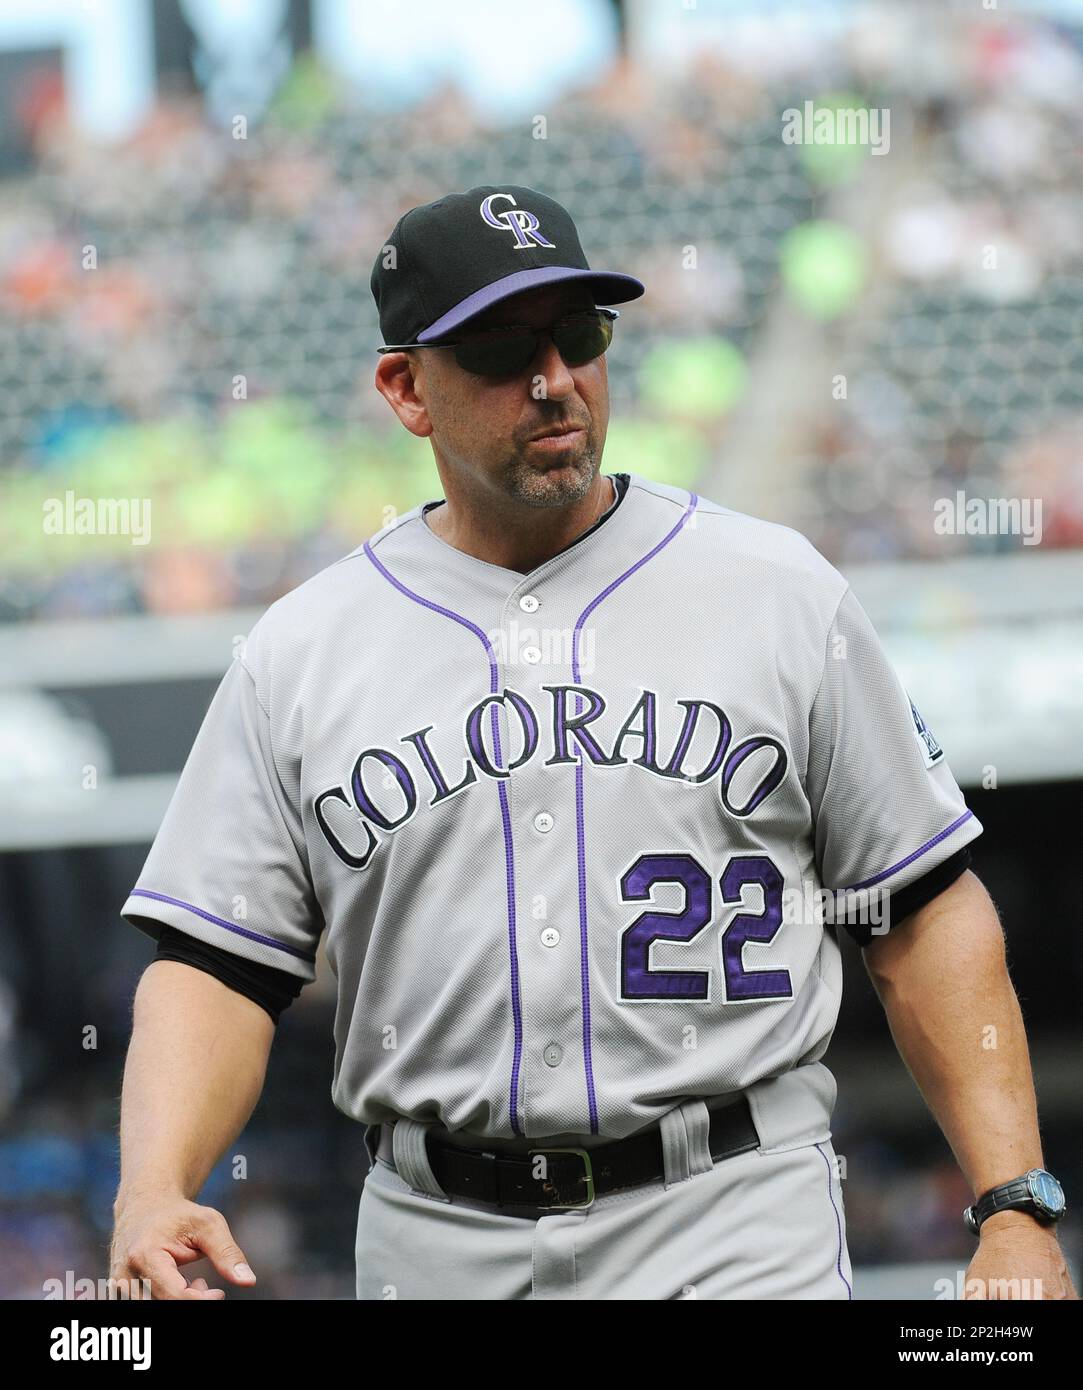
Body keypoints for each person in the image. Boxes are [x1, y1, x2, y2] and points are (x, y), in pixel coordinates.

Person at [110, 186, 1075, 1300]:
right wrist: (150, 1181)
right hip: (435, 1236)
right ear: (404, 389)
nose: (553, 379)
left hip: (731, 1210)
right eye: (499, 350)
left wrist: (1012, 1202)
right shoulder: (302, 651)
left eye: (579, 337)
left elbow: (922, 906)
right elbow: (217, 965)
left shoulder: (774, 590)